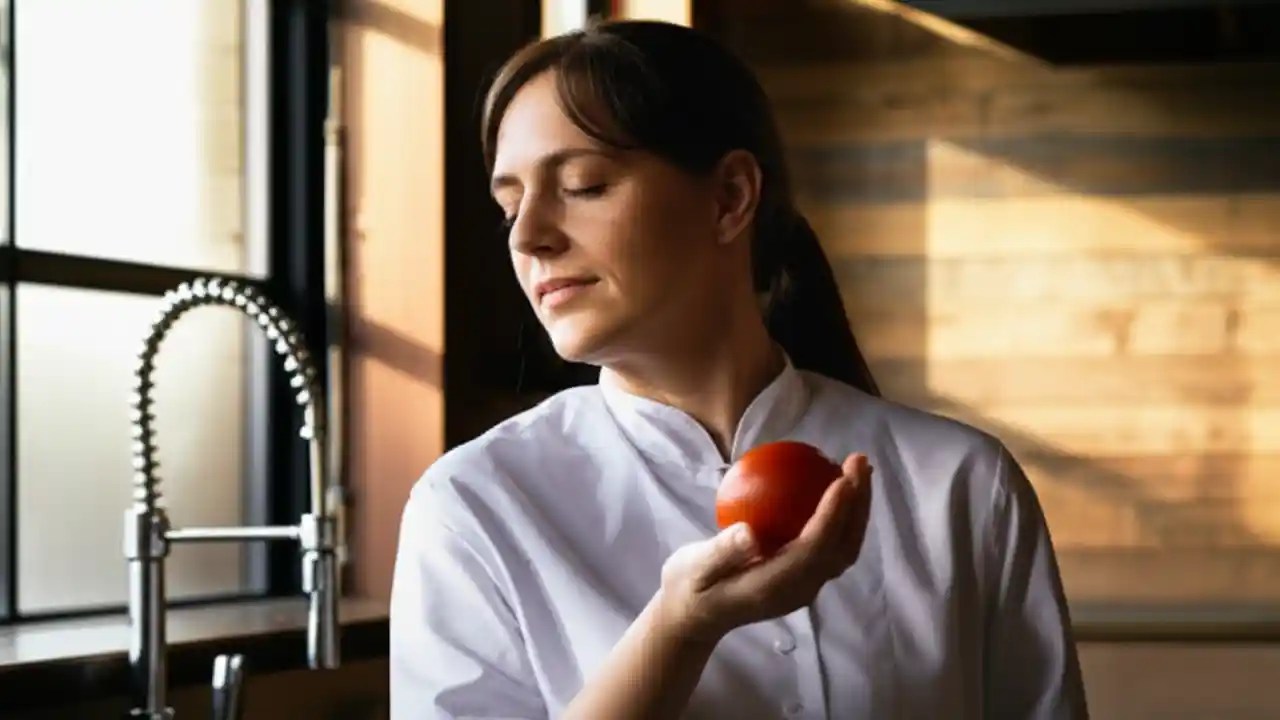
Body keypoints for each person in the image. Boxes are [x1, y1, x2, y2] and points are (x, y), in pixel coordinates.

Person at [390, 19, 1088, 720]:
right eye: (509, 205)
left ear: (729, 197)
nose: (527, 236)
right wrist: (678, 627)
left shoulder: (960, 484)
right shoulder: (475, 506)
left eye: (584, 185)